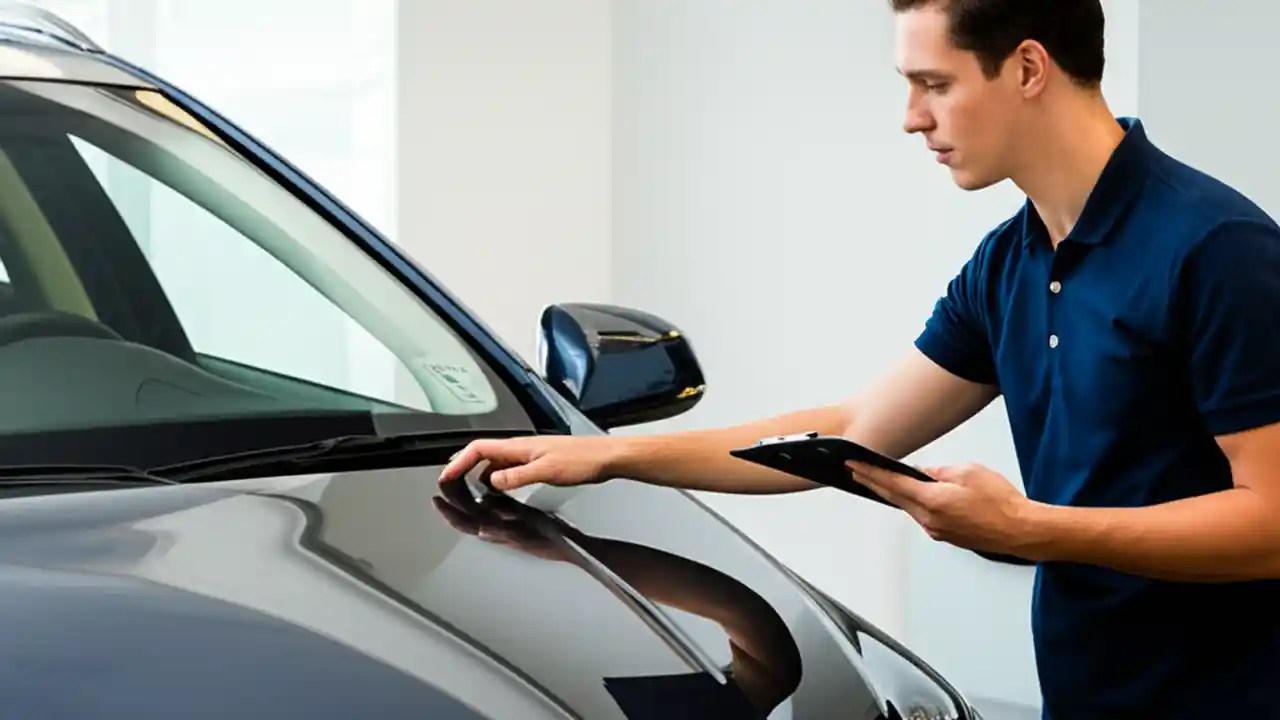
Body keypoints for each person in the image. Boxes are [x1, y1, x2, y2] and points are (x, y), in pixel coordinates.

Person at [441, 0, 1280, 716]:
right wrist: (610, 454)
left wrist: (1031, 530)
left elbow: (1272, 521)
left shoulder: (1215, 249)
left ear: (1028, 68)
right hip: (1085, 688)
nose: (913, 117)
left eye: (934, 84)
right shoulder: (1008, 261)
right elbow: (852, 430)